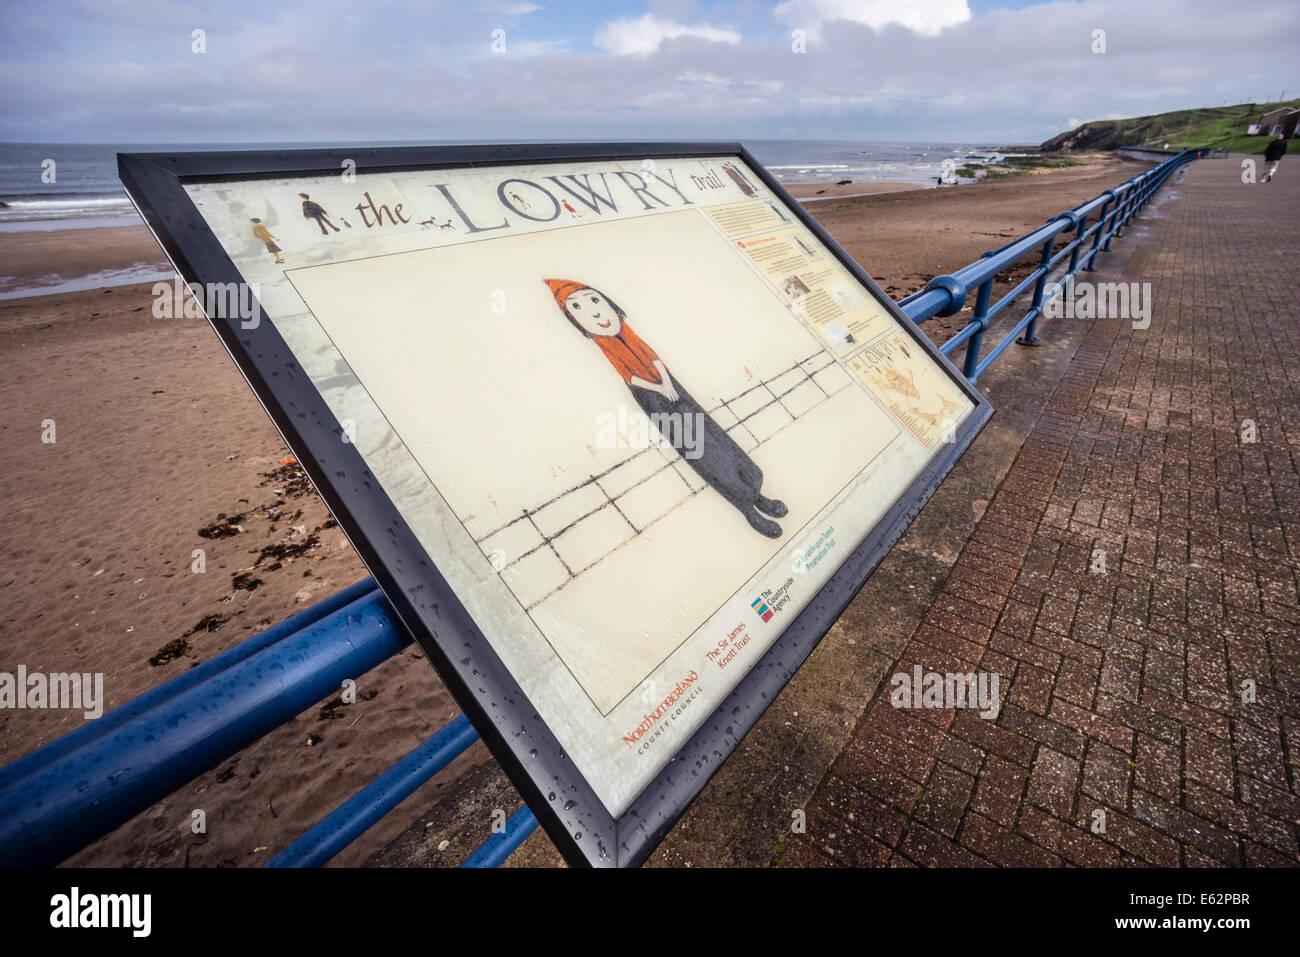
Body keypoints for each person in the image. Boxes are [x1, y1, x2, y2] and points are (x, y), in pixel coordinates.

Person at [545, 278, 788, 538]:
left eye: (594, 300)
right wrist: (660, 388)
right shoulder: (606, 344)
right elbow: (629, 376)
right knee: (698, 451)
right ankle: (747, 510)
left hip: (672, 387)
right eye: (577, 308)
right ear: (574, 319)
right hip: (653, 397)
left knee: (716, 439)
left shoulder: (627, 332)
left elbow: (653, 357)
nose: (594, 311)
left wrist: (667, 381)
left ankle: (756, 492)